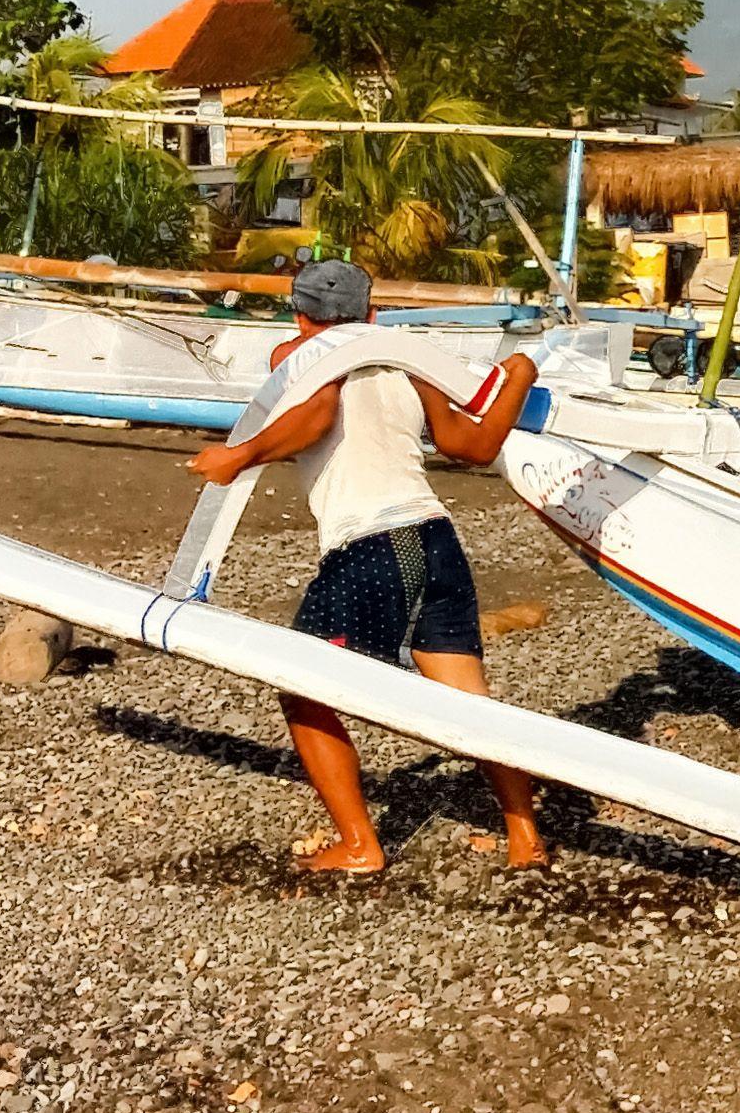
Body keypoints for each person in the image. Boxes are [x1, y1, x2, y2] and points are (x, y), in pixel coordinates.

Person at [187, 259, 549, 875]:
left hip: (371, 545)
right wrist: (521, 374)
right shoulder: (410, 362)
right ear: (373, 315)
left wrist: (240, 456)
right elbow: (475, 446)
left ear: (299, 316)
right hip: (435, 538)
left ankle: (359, 844)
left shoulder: (293, 356)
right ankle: (525, 837)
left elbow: (319, 412)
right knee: (470, 703)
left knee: (303, 689)